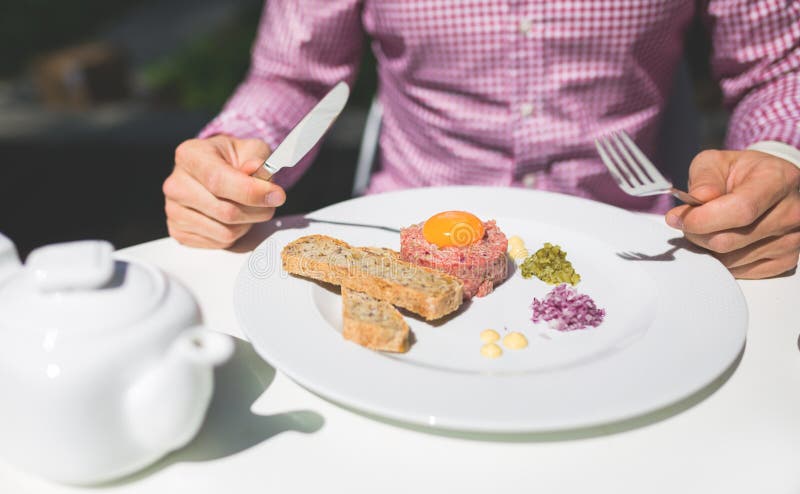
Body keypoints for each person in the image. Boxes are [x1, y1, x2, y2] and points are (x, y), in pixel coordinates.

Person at [162, 1, 800, 279]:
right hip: (404, 232)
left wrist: (776, 160)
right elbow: (292, 74)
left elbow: (778, 69)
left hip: (636, 244)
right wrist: (233, 157)